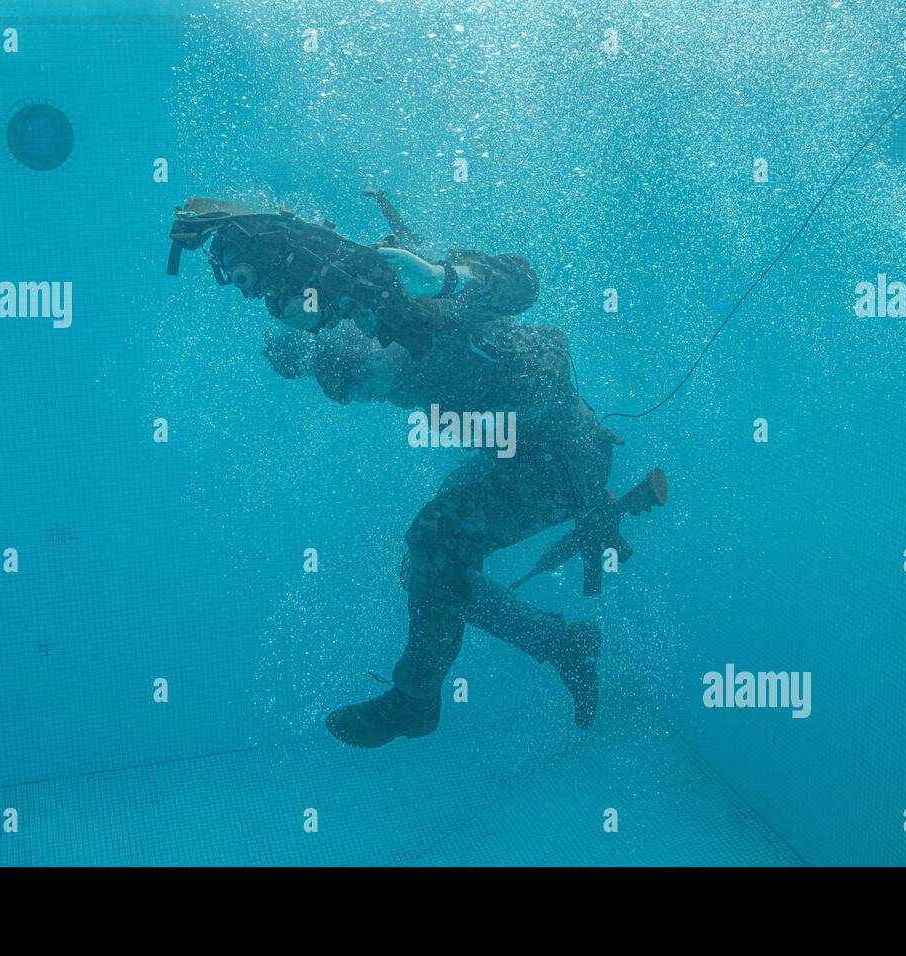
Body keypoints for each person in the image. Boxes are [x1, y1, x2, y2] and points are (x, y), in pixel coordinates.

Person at [176, 192, 624, 747]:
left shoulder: (422, 302)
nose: (374, 390)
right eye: (360, 393)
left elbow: (521, 282)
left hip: (566, 454)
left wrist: (442, 277)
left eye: (370, 376)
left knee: (433, 540)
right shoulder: (367, 337)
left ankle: (414, 701)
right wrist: (283, 349)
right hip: (507, 454)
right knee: (427, 570)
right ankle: (563, 646)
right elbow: (317, 348)